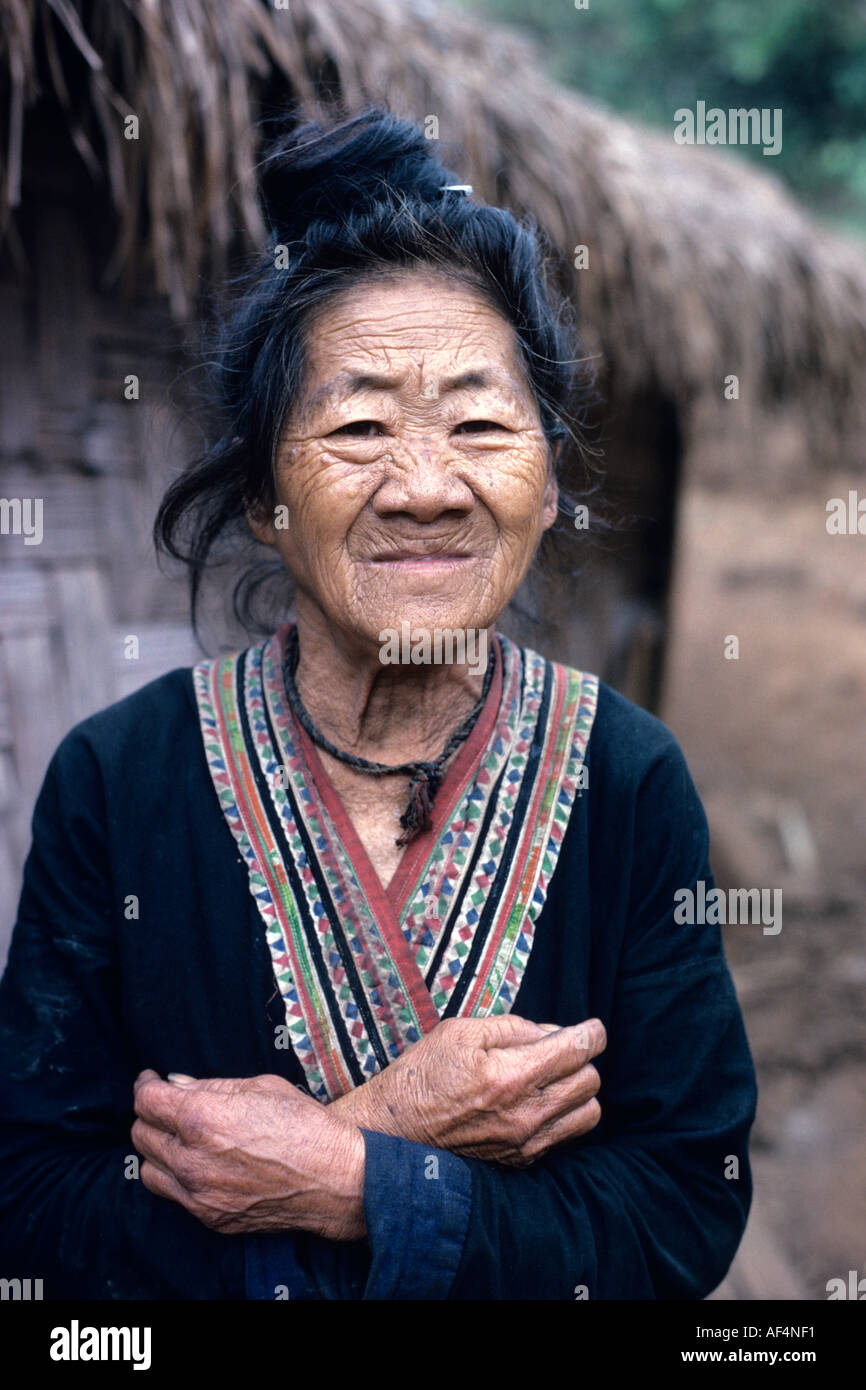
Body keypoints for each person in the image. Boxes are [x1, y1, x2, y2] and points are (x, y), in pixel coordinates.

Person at [0, 108, 756, 1300]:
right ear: (262, 494)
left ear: (546, 482)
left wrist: (352, 1176)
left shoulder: (624, 772)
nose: (423, 487)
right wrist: (398, 1121)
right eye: (357, 427)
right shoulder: (119, 775)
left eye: (478, 425)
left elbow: (682, 1203)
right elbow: (32, 1201)